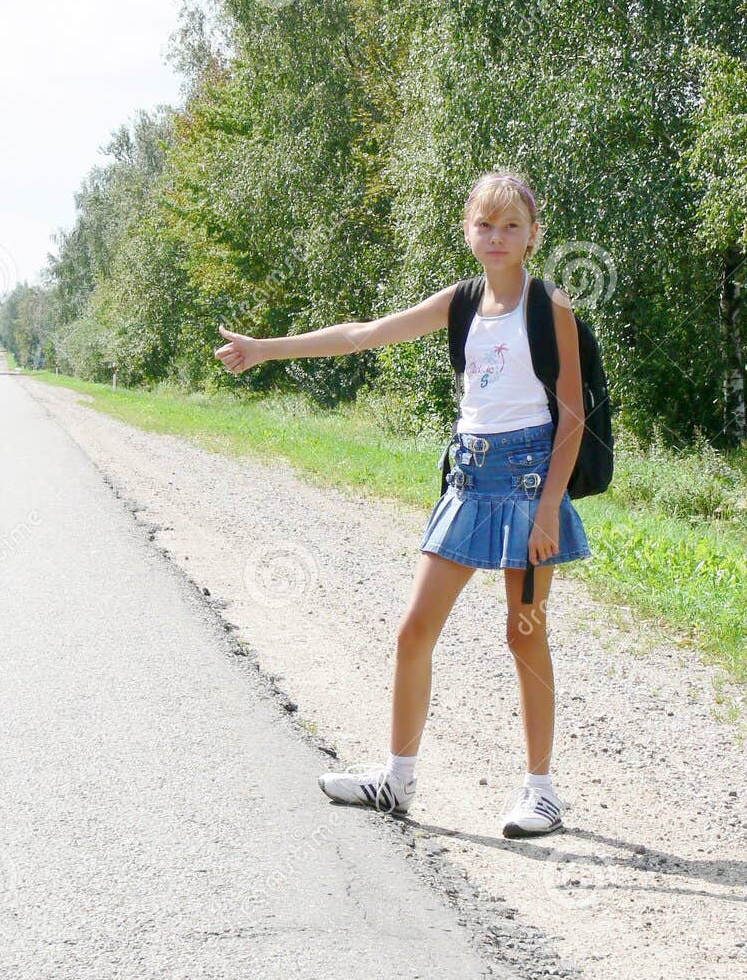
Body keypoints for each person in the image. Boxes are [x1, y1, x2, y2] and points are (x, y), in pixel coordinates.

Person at [213, 171, 591, 838]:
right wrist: (264, 349)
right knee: (414, 629)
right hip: (469, 482)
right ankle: (396, 780)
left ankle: (541, 791)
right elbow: (362, 334)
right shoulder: (461, 303)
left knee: (523, 632)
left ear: (534, 235)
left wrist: (548, 509)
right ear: (467, 232)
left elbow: (572, 418)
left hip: (532, 484)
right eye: (484, 224)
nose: (496, 237)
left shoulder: (550, 305)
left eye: (510, 226)